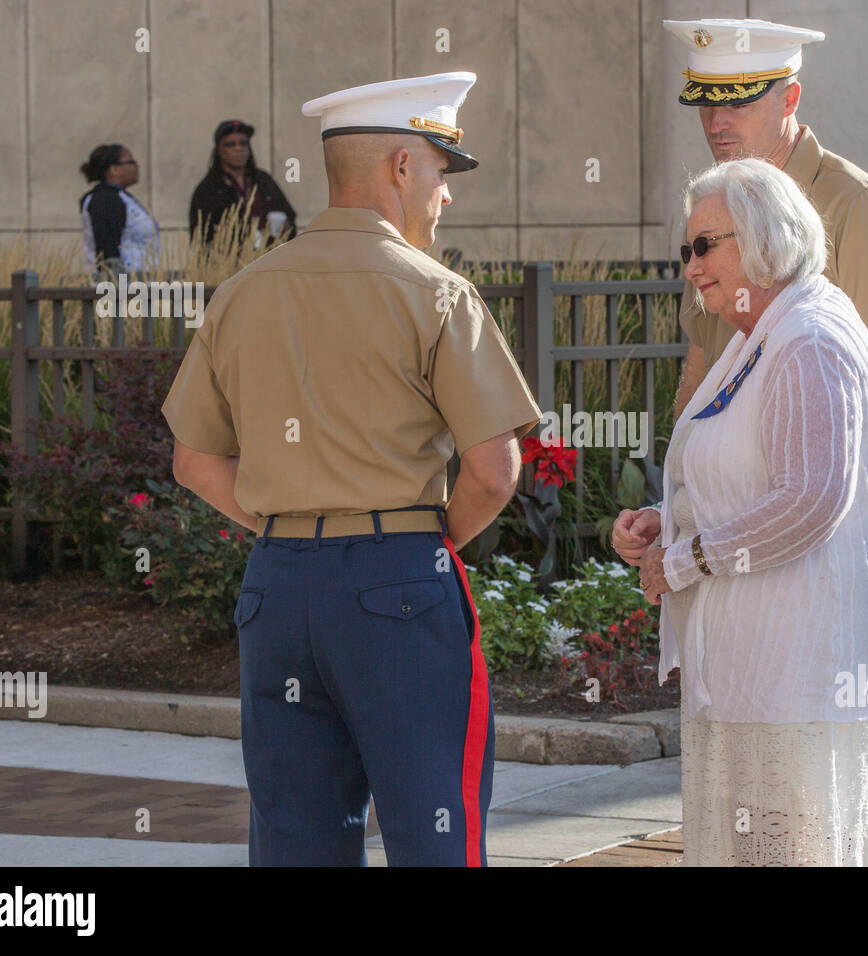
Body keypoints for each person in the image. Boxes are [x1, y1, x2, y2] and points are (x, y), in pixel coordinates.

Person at [161, 72, 541, 866]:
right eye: (441, 172)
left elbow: (194, 462)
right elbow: (495, 470)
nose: (446, 195)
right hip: (398, 582)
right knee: (433, 827)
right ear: (403, 167)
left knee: (296, 841)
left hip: (277, 588)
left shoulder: (242, 293)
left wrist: (291, 526)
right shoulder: (436, 294)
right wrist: (422, 541)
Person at [613, 158, 868, 866]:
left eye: (706, 246)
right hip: (761, 670)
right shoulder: (763, 332)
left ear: (763, 236)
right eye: (688, 250)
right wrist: (668, 516)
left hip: (797, 671)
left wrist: (683, 560)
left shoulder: (807, 338)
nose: (691, 267)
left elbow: (809, 501)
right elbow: (750, 471)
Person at [663, 17, 868, 424]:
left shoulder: (858, 204)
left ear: (790, 100)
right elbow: (702, 363)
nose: (717, 124)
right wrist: (683, 473)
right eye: (707, 103)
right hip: (724, 481)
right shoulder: (715, 208)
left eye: (738, 103)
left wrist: (819, 479)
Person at [188, 119, 297, 246]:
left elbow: (289, 215)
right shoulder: (208, 189)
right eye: (230, 144)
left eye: (243, 143)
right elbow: (200, 237)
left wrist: (285, 226)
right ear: (219, 150)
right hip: (229, 262)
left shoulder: (262, 180)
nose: (238, 148)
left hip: (269, 256)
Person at [78, 143, 159, 274]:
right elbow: (107, 250)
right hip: (123, 287)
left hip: (138, 285)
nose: (136, 166)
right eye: (131, 162)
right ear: (114, 169)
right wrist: (116, 287)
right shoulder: (104, 200)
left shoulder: (121, 197)